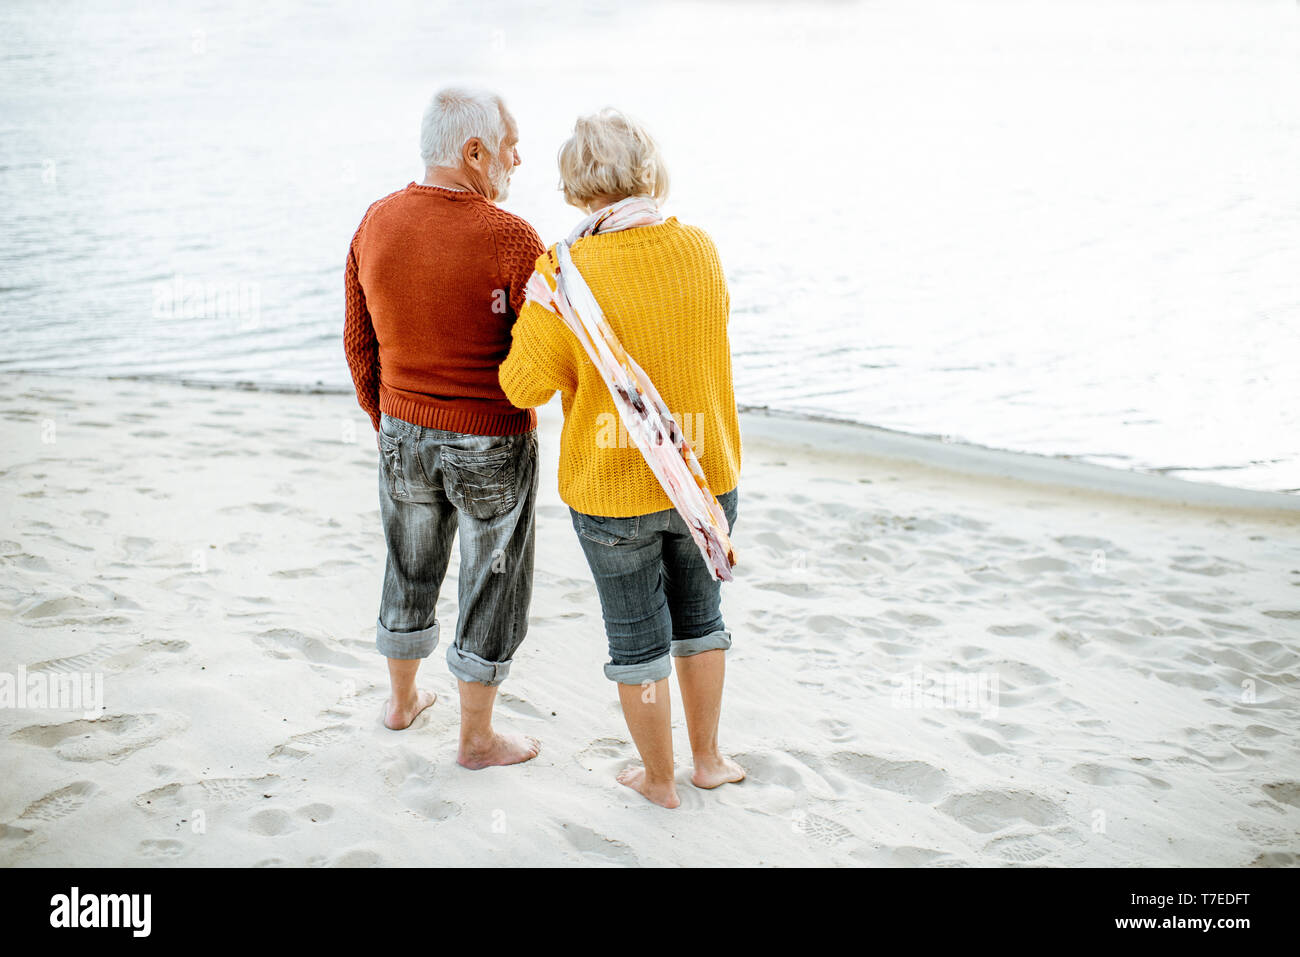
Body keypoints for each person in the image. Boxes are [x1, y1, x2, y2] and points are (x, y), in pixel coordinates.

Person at [499, 108, 744, 807]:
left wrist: (535, 313)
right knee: (702, 623)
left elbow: (522, 385)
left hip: (613, 494)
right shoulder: (699, 248)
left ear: (576, 186)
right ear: (648, 170)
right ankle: (709, 759)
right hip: (706, 480)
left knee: (637, 641)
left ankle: (659, 780)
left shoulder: (562, 275)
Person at [343, 86, 543, 769]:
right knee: (493, 577)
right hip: (490, 438)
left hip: (403, 428)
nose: (519, 157)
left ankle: (401, 703)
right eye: (511, 144)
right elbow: (539, 356)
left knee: (409, 562)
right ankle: (477, 738)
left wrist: (388, 417)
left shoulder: (375, 223)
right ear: (475, 150)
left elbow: (359, 343)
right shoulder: (510, 238)